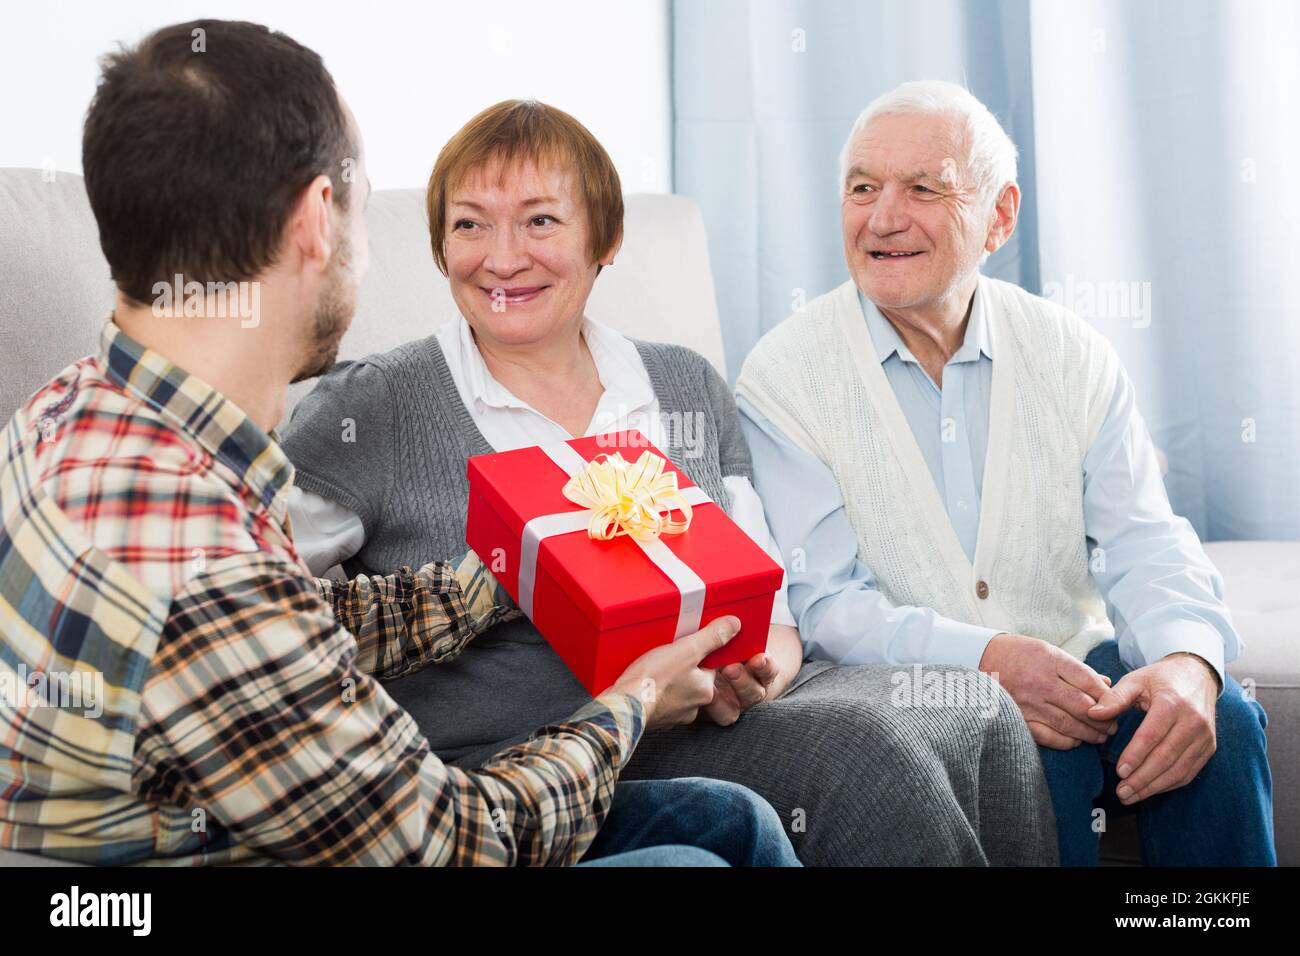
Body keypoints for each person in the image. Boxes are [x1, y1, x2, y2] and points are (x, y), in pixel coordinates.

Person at [0, 19, 800, 868]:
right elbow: (453, 843)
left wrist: (522, 562)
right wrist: (636, 700)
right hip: (396, 840)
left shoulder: (69, 411)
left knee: (733, 824)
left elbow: (289, 626)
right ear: (316, 219)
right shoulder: (198, 552)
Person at [281, 98, 1059, 865]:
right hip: (524, 772)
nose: (503, 256)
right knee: (865, 754)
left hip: (712, 723)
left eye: (541, 221)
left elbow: (774, 616)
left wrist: (750, 679)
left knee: (975, 708)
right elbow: (255, 600)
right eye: (469, 224)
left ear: (606, 240)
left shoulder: (683, 383)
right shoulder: (375, 404)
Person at [734, 80, 1274, 866]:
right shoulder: (784, 376)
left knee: (1216, 721)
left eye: (923, 188)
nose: (882, 218)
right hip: (919, 689)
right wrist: (986, 658)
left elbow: (1145, 542)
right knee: (1027, 752)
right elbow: (823, 603)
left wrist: (1188, 661)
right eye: (862, 188)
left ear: (1001, 214)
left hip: (1076, 660)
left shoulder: (1070, 351)